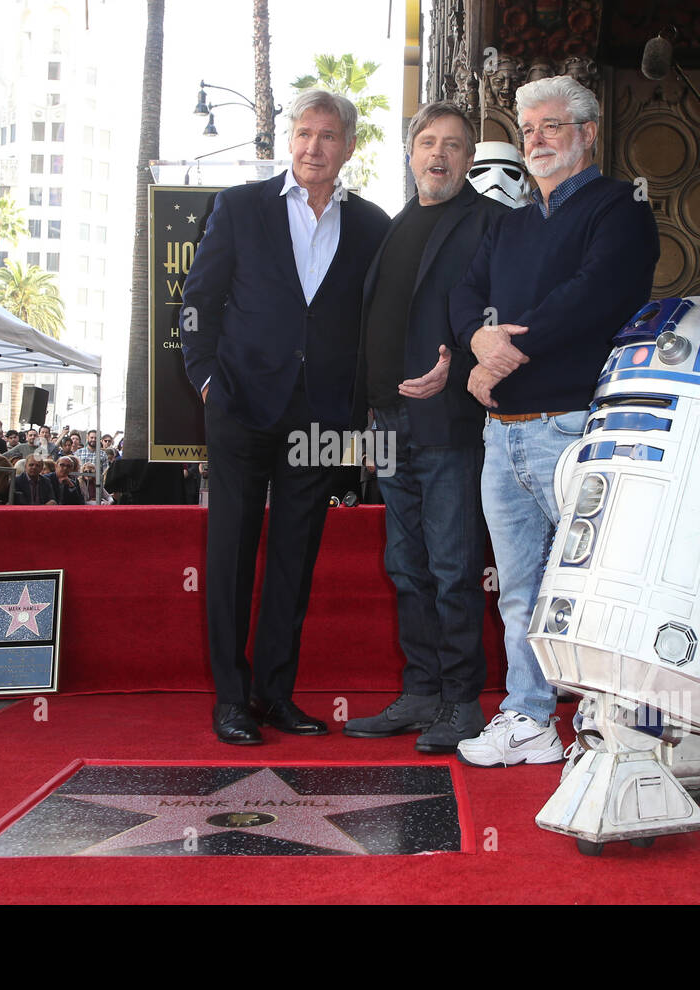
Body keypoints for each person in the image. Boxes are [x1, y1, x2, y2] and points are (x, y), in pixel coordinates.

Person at [447, 75, 659, 767]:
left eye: (552, 127)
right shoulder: (508, 223)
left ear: (588, 133)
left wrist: (508, 349)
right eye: (528, 128)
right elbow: (466, 291)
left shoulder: (619, 206)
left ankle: (604, 729)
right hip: (501, 434)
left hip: (576, 427)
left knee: (594, 585)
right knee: (519, 592)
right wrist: (481, 342)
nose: (536, 139)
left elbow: (595, 294)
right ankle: (529, 719)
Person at [182, 88, 389, 745]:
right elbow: (198, 302)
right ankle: (231, 699)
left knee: (294, 561)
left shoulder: (372, 225)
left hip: (323, 419)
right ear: (289, 138)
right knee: (232, 553)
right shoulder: (240, 207)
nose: (313, 147)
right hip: (240, 406)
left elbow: (374, 325)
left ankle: (274, 694)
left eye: (328, 136)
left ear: (348, 147)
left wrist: (361, 414)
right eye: (303, 133)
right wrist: (207, 379)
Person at [343, 101, 509, 754]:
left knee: (451, 564)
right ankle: (420, 692)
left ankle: (461, 702)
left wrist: (461, 363)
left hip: (450, 423)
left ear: (470, 160)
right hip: (387, 422)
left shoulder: (493, 223)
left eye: (454, 145)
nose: (438, 155)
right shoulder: (394, 226)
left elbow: (506, 317)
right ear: (410, 153)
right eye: (428, 143)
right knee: (405, 565)